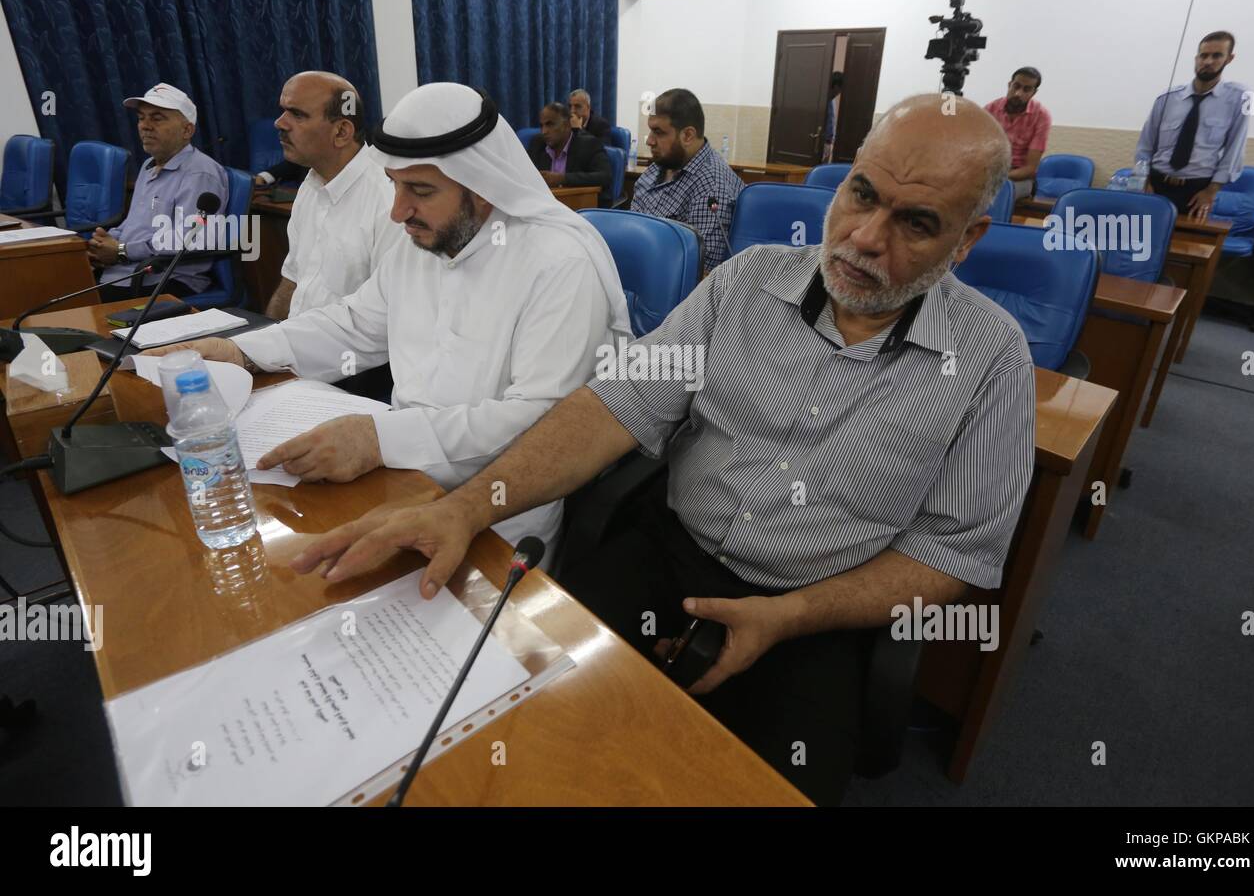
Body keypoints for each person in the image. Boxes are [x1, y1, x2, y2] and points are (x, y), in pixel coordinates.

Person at [287, 94, 1035, 806]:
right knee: (518, 720)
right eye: (863, 195)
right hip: (668, 553)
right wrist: (464, 508)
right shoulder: (742, 284)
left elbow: (951, 553)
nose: (867, 238)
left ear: (968, 239)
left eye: (918, 223)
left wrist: (791, 617)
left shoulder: (993, 362)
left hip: (817, 613)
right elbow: (613, 406)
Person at [146, 82, 631, 554]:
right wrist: (243, 350)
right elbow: (354, 324)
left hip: (495, 514)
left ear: (484, 187)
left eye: (419, 190)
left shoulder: (559, 264)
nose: (398, 212)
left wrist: (379, 439)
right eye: (394, 186)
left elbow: (541, 421)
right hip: (396, 478)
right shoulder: (422, 239)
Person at [262, 71, 403, 321]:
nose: (280, 123)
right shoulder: (310, 185)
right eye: (283, 110)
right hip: (296, 346)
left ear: (341, 132)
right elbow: (292, 281)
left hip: (350, 356)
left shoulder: (389, 201)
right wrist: (266, 343)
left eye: (297, 114)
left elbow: (385, 317)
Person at [87, 83, 228, 302]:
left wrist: (122, 251)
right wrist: (106, 241)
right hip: (127, 272)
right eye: (141, 118)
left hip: (166, 278)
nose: (145, 126)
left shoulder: (200, 174)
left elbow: (190, 238)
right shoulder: (148, 166)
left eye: (157, 118)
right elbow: (133, 222)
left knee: (74, 309)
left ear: (187, 130)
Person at [1136, 31, 1249, 219]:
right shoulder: (1166, 98)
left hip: (1197, 192)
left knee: (1187, 247)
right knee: (1142, 242)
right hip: (1155, 185)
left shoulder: (1240, 98)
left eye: (1217, 55)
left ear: (1229, 59)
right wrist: (1143, 181)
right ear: (1196, 58)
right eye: (1204, 55)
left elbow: (1235, 150)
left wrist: (1211, 191)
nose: (1208, 62)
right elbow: (1145, 145)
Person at [631, 88, 743, 272]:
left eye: (658, 132)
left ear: (688, 135)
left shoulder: (712, 186)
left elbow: (701, 270)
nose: (649, 141)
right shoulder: (656, 168)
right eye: (650, 130)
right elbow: (631, 234)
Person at [526, 102, 613, 206]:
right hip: (543, 207)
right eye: (542, 125)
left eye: (550, 124)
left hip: (578, 208)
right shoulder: (537, 143)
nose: (544, 131)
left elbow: (605, 176)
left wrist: (562, 178)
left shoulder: (589, 145)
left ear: (567, 125)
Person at [984, 67, 1050, 201]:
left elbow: (1030, 168)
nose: (1018, 93)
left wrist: (998, 178)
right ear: (1009, 85)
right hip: (989, 172)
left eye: (1026, 89)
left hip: (1019, 178)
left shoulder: (1042, 117)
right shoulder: (990, 109)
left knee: (1000, 193)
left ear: (1033, 92)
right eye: (1016, 86)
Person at [823, 71, 843, 163]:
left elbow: (832, 121)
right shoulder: (823, 101)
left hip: (828, 142)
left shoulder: (832, 101)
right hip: (821, 141)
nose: (840, 92)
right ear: (836, 86)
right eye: (840, 88)